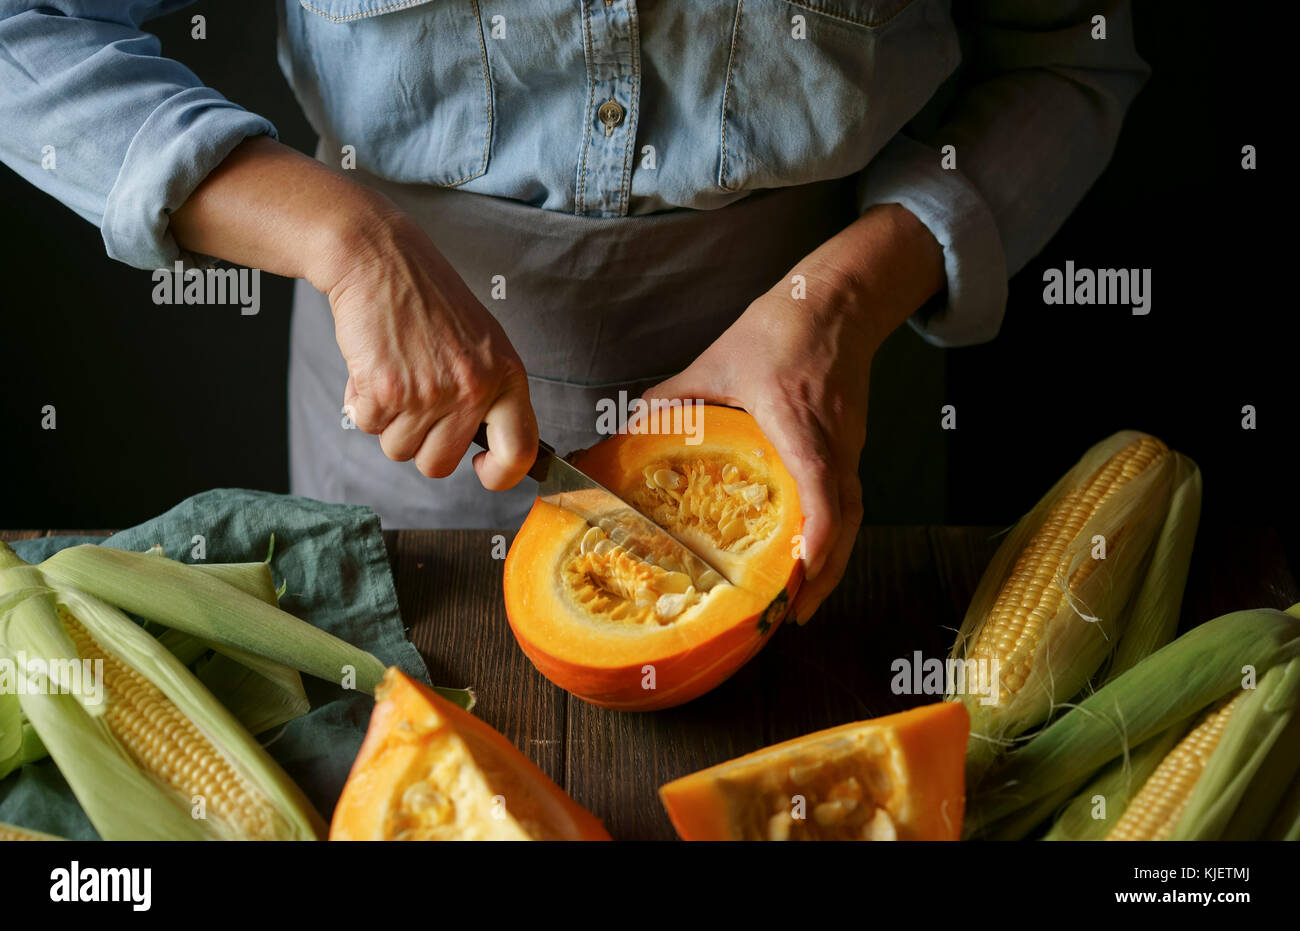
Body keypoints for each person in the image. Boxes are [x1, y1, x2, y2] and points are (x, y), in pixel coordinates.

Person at [0, 1, 1147, 624]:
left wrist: (841, 298)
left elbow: (1073, 54)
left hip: (831, 406)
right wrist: (346, 242)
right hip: (408, 455)